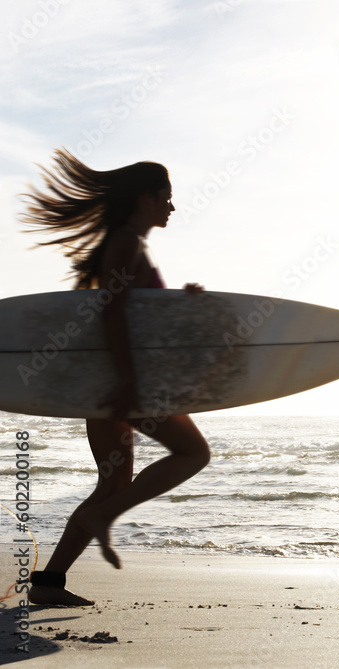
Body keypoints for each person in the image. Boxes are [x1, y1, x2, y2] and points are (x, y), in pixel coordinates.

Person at [19, 148, 211, 606]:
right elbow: (112, 317)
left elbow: (136, 315)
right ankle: (105, 517)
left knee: (112, 483)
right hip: (127, 384)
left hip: (103, 386)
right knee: (193, 453)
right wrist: (129, 385)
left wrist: (178, 302)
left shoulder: (129, 245)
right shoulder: (125, 243)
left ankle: (48, 584)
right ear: (146, 197)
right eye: (166, 196)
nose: (172, 205)